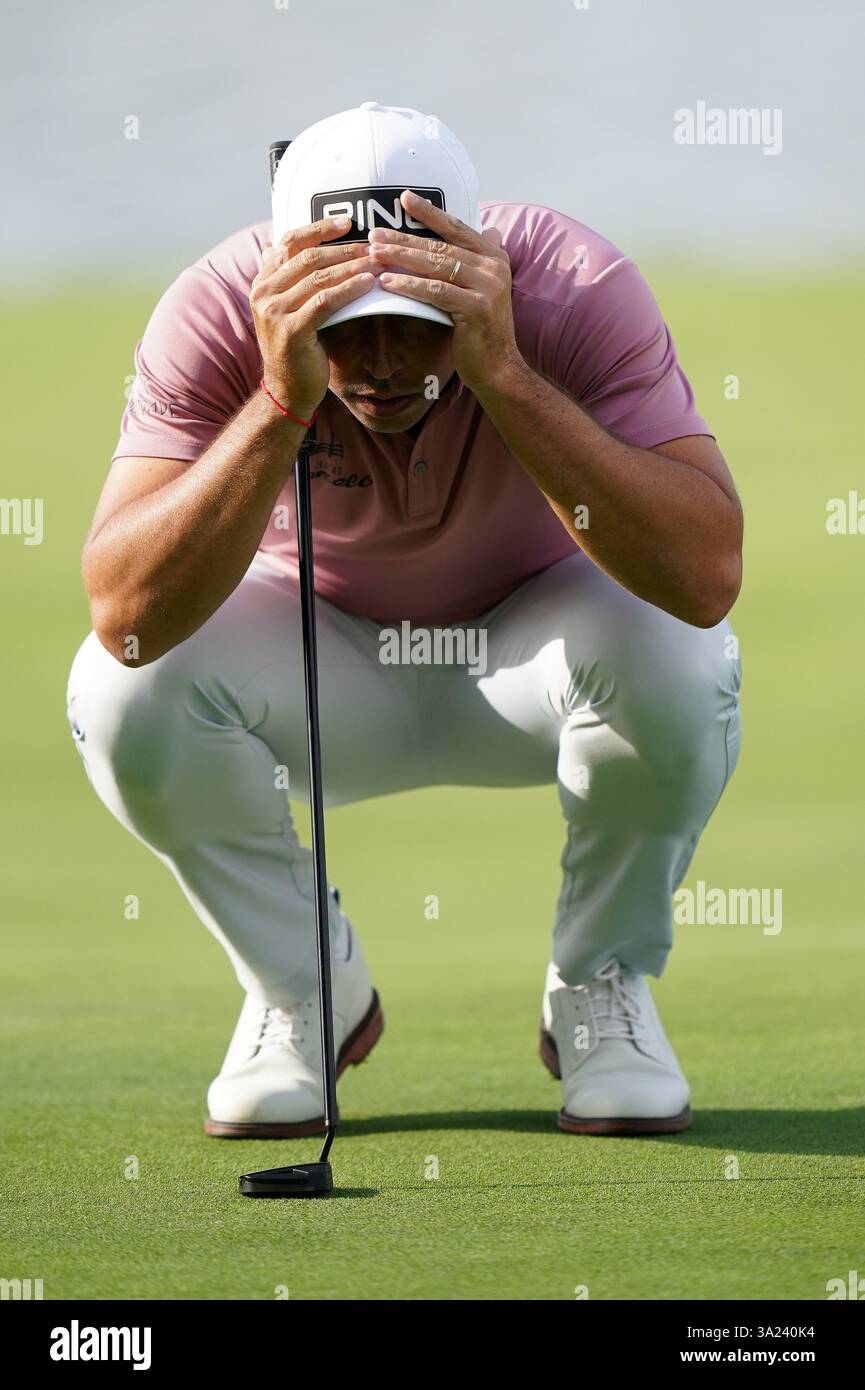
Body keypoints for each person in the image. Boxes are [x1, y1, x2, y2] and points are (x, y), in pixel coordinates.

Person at [66, 102, 743, 1139]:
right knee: (120, 687)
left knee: (677, 650)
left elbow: (705, 574)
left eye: (413, 317)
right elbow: (126, 614)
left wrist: (503, 372)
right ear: (290, 280)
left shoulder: (573, 287)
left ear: (471, 266)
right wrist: (279, 402)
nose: (382, 360)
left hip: (536, 648)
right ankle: (301, 987)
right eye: (347, 323)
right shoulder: (214, 309)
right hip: (310, 664)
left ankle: (598, 987)